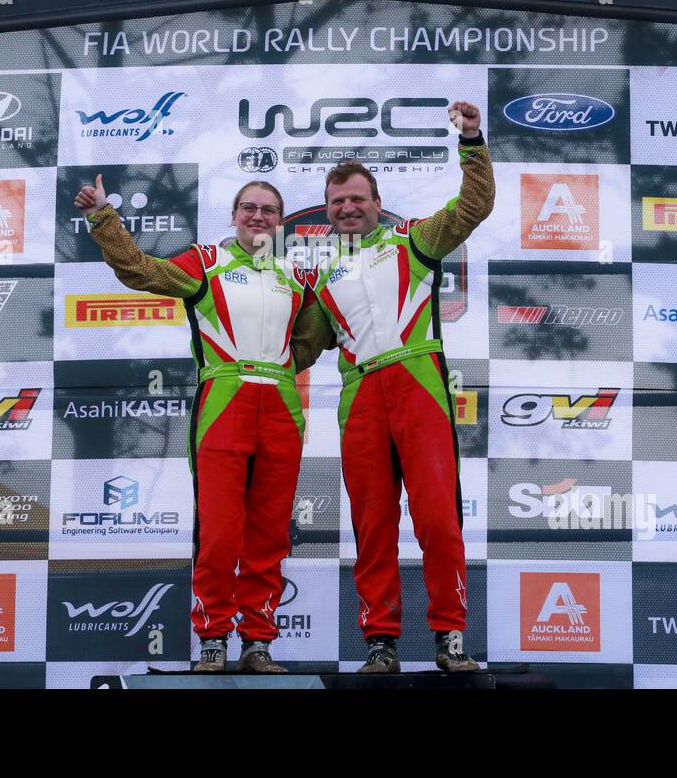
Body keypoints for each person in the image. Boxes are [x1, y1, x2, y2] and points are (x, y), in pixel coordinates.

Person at [75, 176, 321, 673]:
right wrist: (104, 217)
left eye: (269, 210)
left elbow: (316, 334)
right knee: (219, 534)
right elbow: (139, 271)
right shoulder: (207, 263)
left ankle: (258, 643)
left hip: (280, 405)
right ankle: (212, 638)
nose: (258, 216)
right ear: (233, 216)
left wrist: (290, 362)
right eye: (248, 208)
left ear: (280, 221)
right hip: (224, 400)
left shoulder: (298, 277)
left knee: (269, 536)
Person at [294, 100, 495, 673]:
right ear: (328, 212)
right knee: (372, 525)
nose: (348, 207)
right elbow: (301, 347)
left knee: (436, 518)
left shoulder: (414, 241)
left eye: (358, 198)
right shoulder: (322, 275)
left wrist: (473, 141)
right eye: (338, 202)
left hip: (418, 384)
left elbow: (475, 204)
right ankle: (380, 644)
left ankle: (450, 639)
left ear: (377, 203)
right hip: (359, 396)